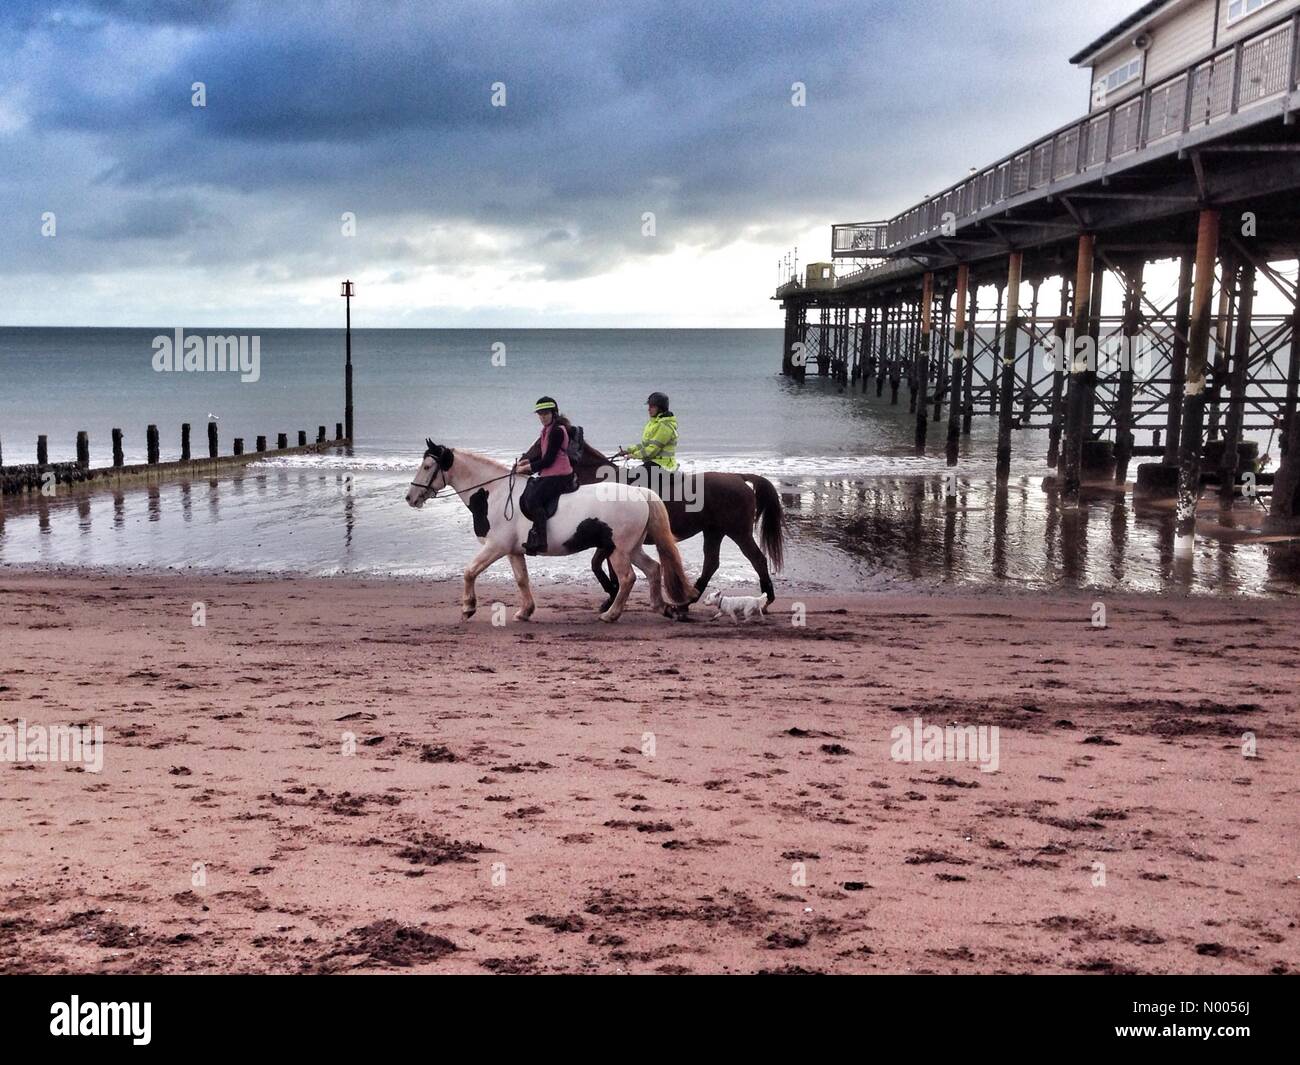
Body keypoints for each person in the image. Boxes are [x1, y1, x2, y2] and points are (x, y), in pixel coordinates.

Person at [515, 396, 575, 556]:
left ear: (553, 413)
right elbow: (543, 454)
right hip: (550, 473)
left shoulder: (556, 431)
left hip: (559, 475)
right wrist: (527, 461)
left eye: (545, 414)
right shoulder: (547, 430)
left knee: (533, 499)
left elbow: (548, 460)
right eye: (540, 414)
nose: (542, 417)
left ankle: (541, 540)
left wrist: (527, 468)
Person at [620, 391, 678, 474]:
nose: (648, 409)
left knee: (632, 477)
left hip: (663, 465)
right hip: (653, 463)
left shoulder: (665, 426)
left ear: (660, 408)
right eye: (649, 406)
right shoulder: (653, 424)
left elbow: (653, 449)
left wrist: (633, 455)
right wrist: (629, 450)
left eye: (652, 406)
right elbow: (645, 445)